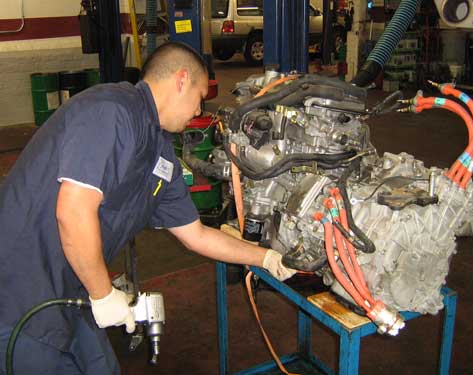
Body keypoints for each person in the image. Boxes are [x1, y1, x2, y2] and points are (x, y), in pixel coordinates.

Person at [0, 42, 296, 374]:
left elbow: (195, 235)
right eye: (199, 98)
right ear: (181, 80)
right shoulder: (110, 111)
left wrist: (267, 258)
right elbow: (72, 209)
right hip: (18, 293)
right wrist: (102, 294)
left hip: (73, 289)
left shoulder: (160, 156)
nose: (199, 111)